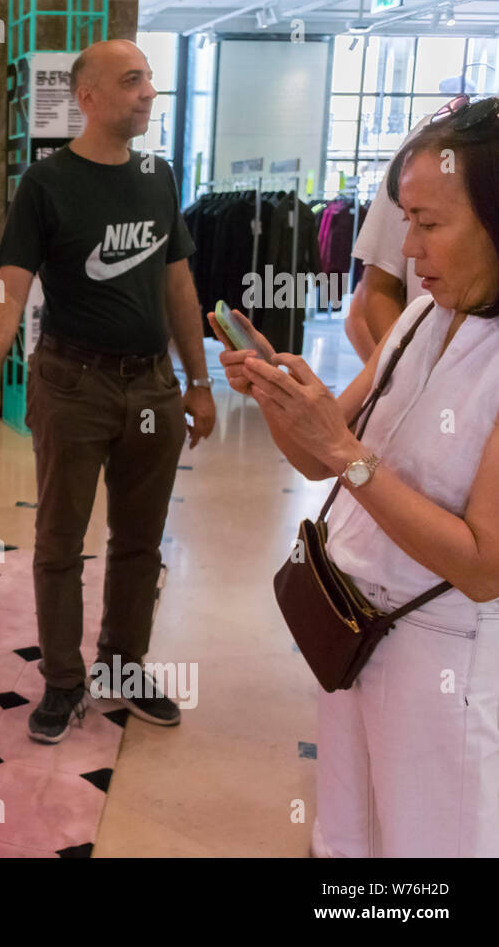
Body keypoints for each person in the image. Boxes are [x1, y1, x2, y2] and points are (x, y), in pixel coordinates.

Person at [212, 96, 499, 857]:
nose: (409, 250)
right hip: (354, 630)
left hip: (444, 657)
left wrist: (345, 452)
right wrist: (281, 398)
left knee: (431, 846)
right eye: (405, 220)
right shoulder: (420, 318)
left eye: (430, 224)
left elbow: (482, 565)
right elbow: (319, 453)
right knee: (349, 836)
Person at [0, 39, 216, 743]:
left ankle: (122, 671)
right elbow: (12, 281)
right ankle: (64, 683)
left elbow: (179, 282)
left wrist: (198, 381)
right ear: (89, 97)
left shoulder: (159, 176)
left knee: (139, 541)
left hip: (153, 386)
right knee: (60, 541)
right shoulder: (48, 182)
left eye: (151, 81)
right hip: (72, 382)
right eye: (133, 81)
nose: (148, 93)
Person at [345, 115, 434, 360]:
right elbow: (367, 303)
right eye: (411, 221)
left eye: (429, 224)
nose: (410, 248)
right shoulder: (437, 136)